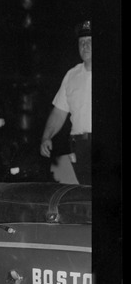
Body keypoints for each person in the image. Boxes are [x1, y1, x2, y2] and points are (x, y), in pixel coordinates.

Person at [40, 20, 92, 185]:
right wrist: (46, 137)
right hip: (80, 147)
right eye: (82, 42)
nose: (85, 46)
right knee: (85, 196)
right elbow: (58, 112)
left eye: (90, 41)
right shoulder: (71, 75)